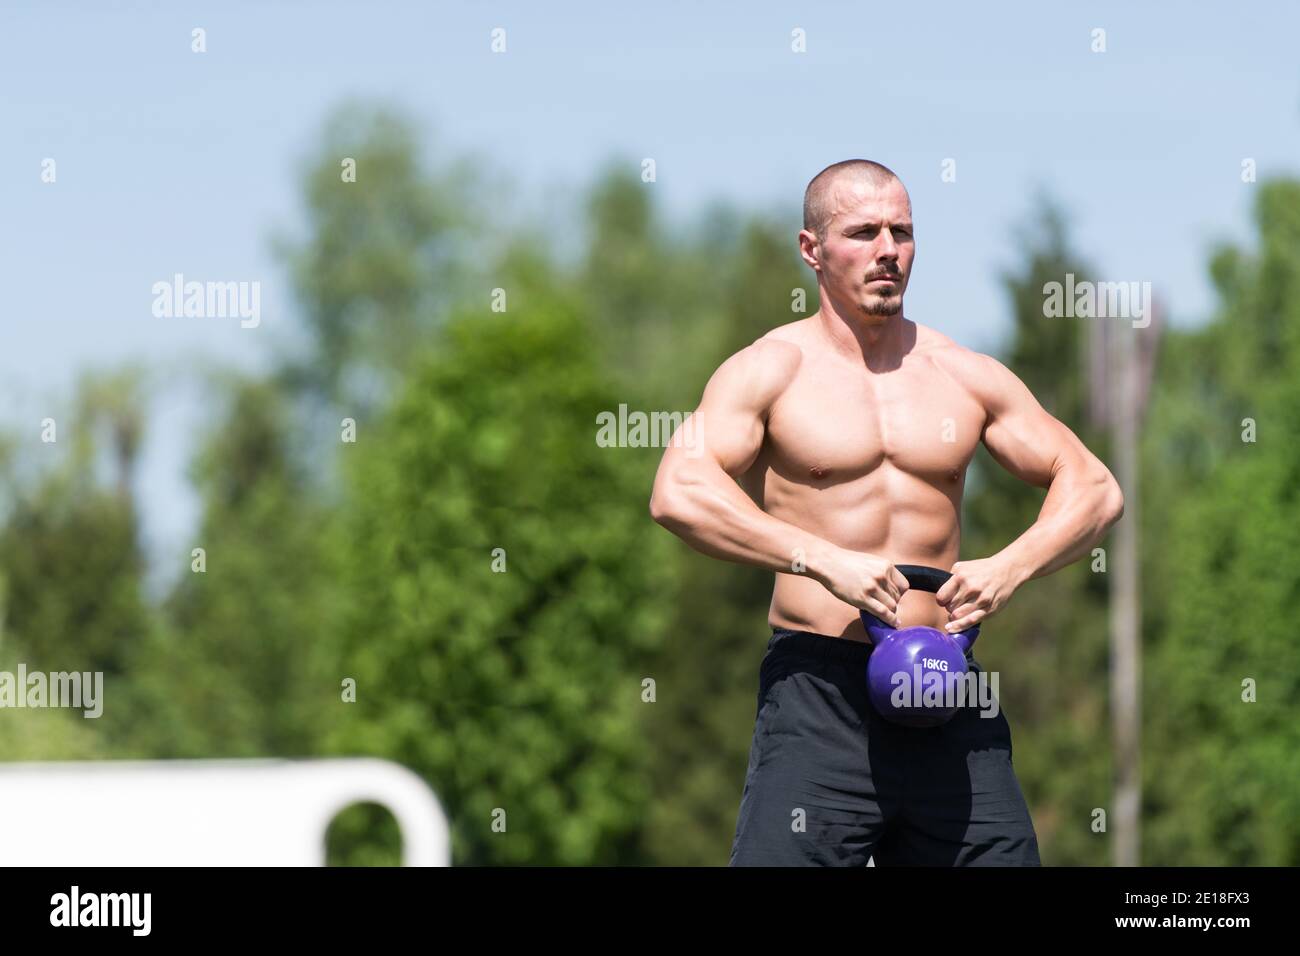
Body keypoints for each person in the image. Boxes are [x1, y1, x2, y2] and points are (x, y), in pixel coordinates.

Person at [648, 159, 1124, 866]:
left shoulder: (961, 373)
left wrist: (1009, 567)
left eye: (901, 232)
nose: (887, 250)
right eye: (863, 232)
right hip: (819, 697)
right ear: (812, 250)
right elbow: (677, 491)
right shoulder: (771, 369)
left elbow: (1094, 488)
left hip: (947, 686)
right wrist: (818, 557)